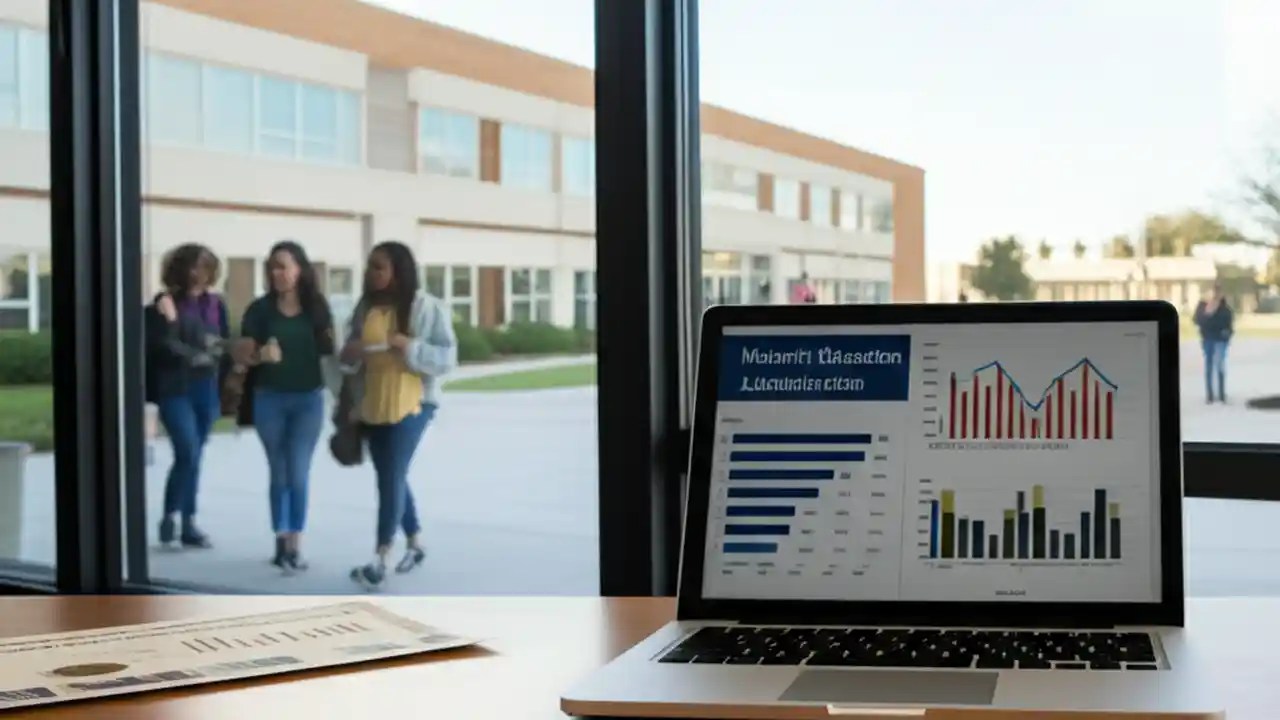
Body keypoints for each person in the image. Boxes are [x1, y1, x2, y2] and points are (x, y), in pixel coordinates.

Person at [340, 241, 457, 590]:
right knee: (392, 473)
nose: (372, 273)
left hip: (414, 403)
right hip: (374, 402)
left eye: (379, 266)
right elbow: (347, 358)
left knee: (389, 475)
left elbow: (447, 358)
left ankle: (380, 557)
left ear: (398, 270)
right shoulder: (365, 308)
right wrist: (351, 352)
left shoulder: (426, 308)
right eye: (370, 266)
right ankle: (416, 542)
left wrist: (411, 346)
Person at [233, 241, 335, 574]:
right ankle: (280, 539)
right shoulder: (260, 310)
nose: (278, 273)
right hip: (270, 399)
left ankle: (296, 543)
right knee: (278, 471)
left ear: (300, 270)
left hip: (308, 400)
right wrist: (260, 355)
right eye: (273, 267)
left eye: (284, 266)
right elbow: (243, 354)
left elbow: (331, 352)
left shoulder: (317, 308)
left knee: (299, 471)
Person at [144, 243, 229, 549]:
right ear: (179, 270)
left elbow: (224, 344)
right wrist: (178, 330)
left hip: (205, 388)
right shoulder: (164, 303)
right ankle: (171, 514)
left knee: (194, 457)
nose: (199, 274)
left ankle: (188, 524)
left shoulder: (216, 304)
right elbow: (163, 345)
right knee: (187, 451)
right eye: (193, 267)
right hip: (175, 388)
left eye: (205, 267)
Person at [1193, 283, 1233, 404]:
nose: (1216, 294)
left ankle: (1221, 394)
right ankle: (1210, 394)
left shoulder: (1224, 308)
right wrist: (1207, 314)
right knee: (1209, 365)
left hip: (1220, 339)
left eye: (1218, 292)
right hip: (1208, 339)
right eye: (1214, 291)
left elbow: (1229, 323)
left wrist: (1227, 334)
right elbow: (1197, 320)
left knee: (1220, 365)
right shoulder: (1203, 306)